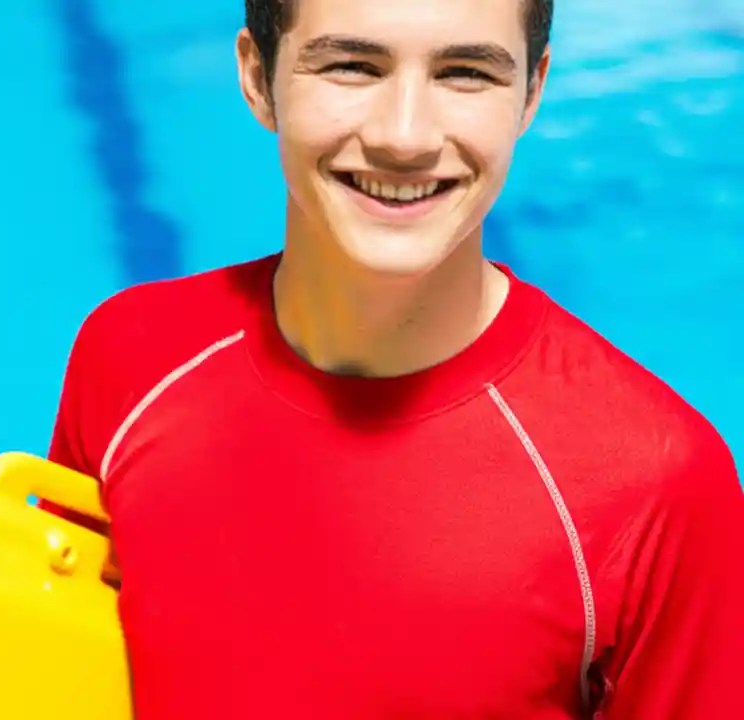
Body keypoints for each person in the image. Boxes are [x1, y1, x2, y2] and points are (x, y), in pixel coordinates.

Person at [42, 0, 744, 717]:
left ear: (531, 92)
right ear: (258, 77)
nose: (404, 137)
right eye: (352, 65)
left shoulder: (654, 480)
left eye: (465, 73)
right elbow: (42, 657)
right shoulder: (131, 362)